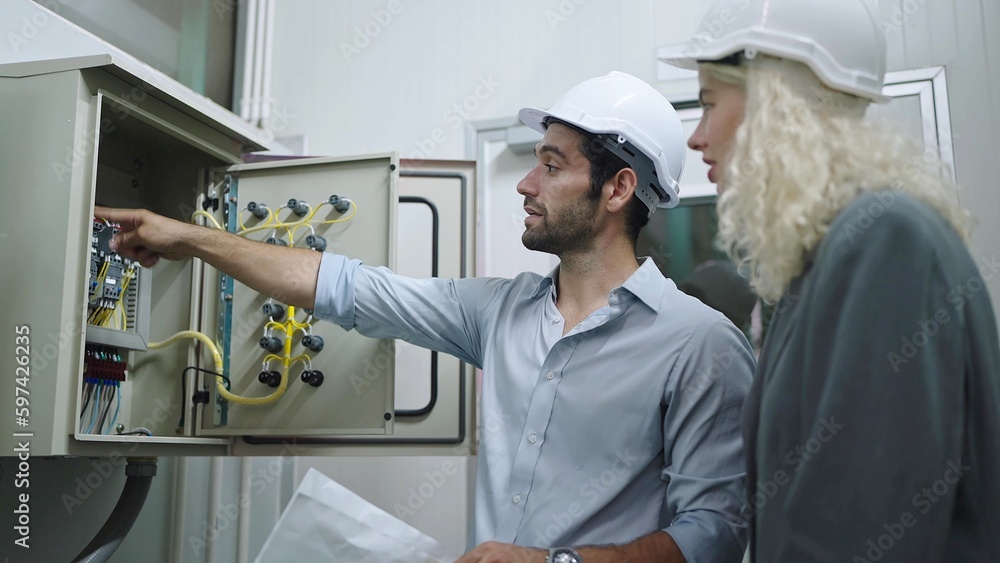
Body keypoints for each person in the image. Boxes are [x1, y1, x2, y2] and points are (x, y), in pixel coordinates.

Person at [98, 71, 755, 563]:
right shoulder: (501, 313)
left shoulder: (698, 346)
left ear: (617, 190)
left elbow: (715, 533)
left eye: (552, 166)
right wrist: (191, 239)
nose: (527, 184)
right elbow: (349, 287)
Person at [660, 0, 1000, 561]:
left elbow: (858, 528)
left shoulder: (885, 243)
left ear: (776, 102)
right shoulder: (828, 260)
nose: (696, 138)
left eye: (707, 103)